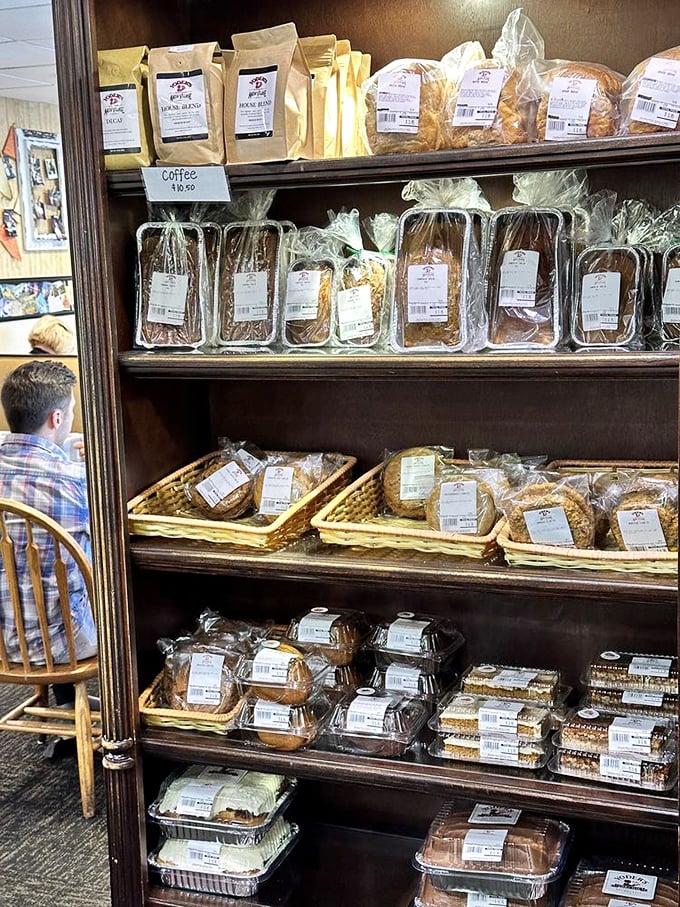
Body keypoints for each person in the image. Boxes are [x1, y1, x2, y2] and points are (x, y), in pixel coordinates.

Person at [0, 361, 97, 755]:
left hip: (3, 643)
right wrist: (98, 468)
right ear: (57, 418)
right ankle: (126, 719)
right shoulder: (76, 482)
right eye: (71, 411)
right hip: (64, 644)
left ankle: (63, 716)